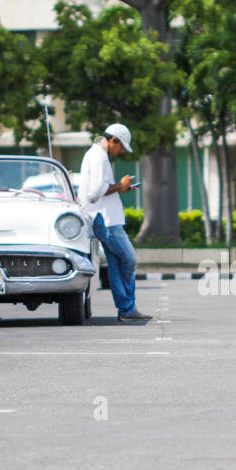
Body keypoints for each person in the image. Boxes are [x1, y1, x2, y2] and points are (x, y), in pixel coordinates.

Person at [78, 123, 151, 322]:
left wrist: (121, 188)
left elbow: (98, 190)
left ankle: (127, 309)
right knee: (129, 259)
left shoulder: (94, 155)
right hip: (106, 221)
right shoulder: (100, 157)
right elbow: (94, 193)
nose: (120, 152)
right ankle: (127, 308)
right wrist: (120, 186)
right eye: (120, 147)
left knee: (117, 264)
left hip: (104, 219)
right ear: (113, 140)